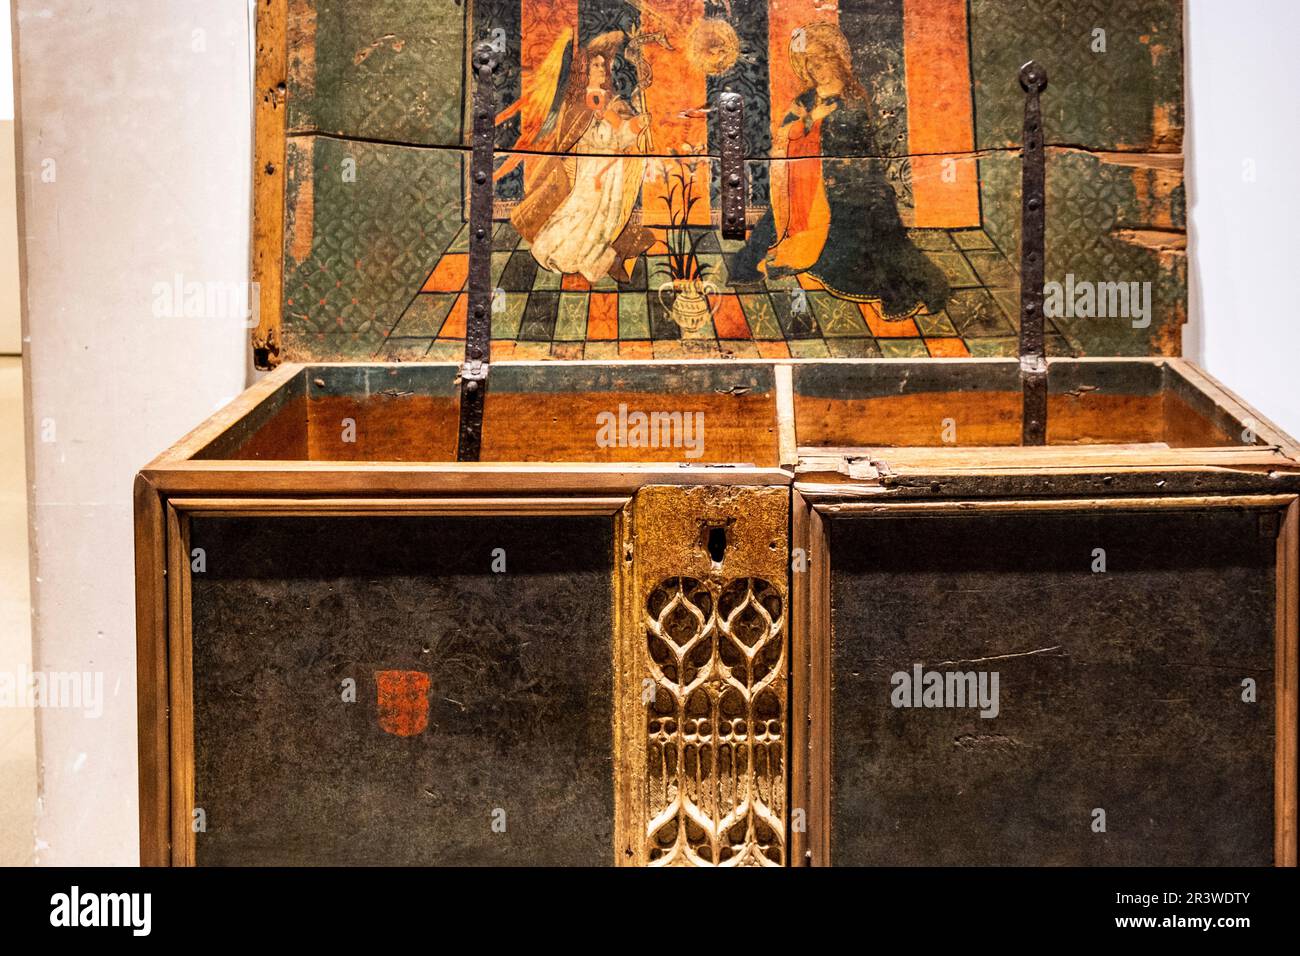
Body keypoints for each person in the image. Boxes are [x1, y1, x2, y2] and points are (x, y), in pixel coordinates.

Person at [728, 22, 948, 319]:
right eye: (811, 64)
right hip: (808, 183)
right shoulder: (806, 100)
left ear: (836, 59)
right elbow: (782, 136)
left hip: (851, 187)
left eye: (822, 61)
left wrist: (818, 129)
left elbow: (858, 146)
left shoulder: (853, 98)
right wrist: (809, 122)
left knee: (879, 244)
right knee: (777, 223)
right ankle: (747, 267)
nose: (817, 69)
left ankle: (900, 294)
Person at [495, 30, 655, 284]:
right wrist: (626, 126)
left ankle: (597, 258)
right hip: (589, 170)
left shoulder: (609, 100)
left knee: (607, 217)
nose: (602, 69)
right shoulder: (582, 101)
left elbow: (619, 137)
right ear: (586, 69)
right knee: (581, 214)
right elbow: (585, 135)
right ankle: (565, 253)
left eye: (604, 65)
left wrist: (636, 126)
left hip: (610, 170)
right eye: (596, 65)